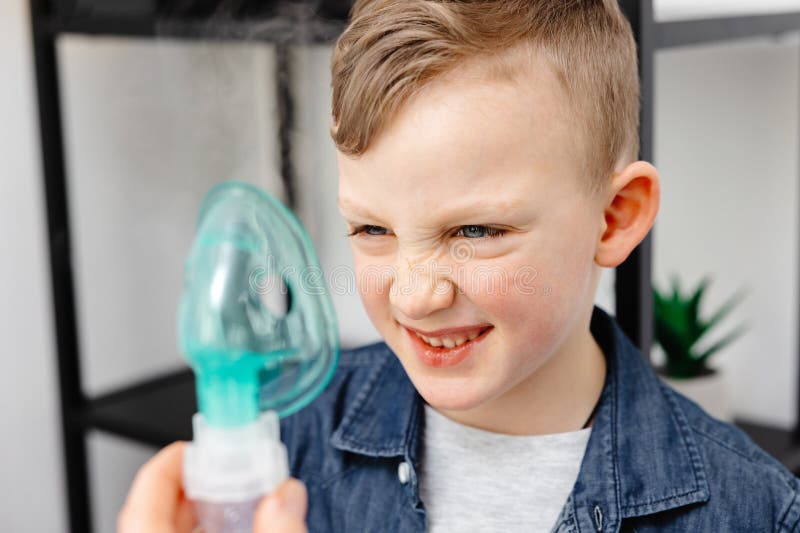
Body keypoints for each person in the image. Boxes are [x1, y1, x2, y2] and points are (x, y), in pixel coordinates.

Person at [120, 0, 800, 531]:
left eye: (475, 230)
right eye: (372, 229)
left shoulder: (753, 511)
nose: (415, 296)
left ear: (615, 216)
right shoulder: (294, 443)